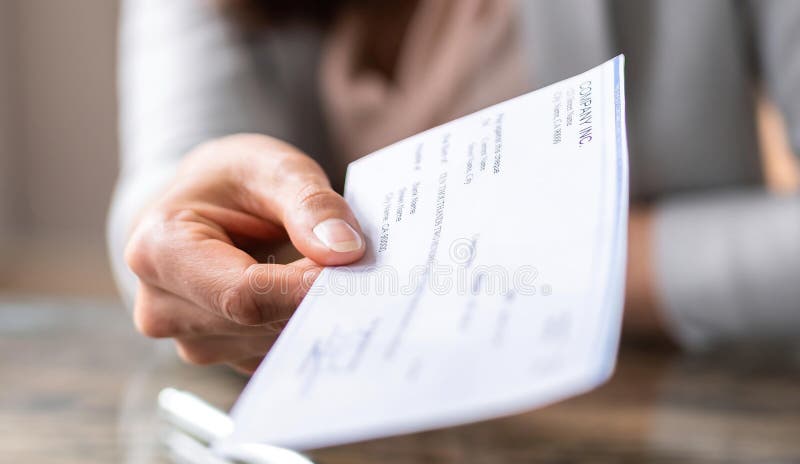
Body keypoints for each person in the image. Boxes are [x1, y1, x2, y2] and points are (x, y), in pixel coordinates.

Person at [109, 0, 800, 373]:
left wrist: (562, 263)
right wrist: (182, 236)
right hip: (355, 446)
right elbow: (167, 189)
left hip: (663, 407)